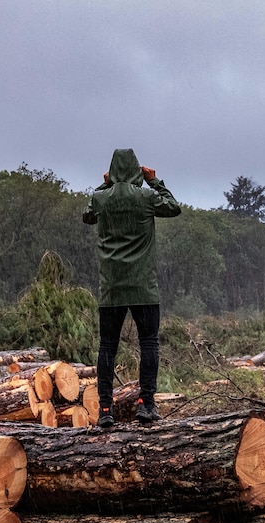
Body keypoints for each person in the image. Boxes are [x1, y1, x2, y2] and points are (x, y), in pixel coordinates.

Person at [83, 148, 182, 428]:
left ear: (112, 170)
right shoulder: (147, 197)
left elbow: (87, 215)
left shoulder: (101, 198)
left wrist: (106, 184)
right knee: (149, 343)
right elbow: (173, 207)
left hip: (112, 288)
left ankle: (104, 409)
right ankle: (146, 404)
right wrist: (154, 181)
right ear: (138, 170)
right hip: (143, 287)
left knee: (107, 347)